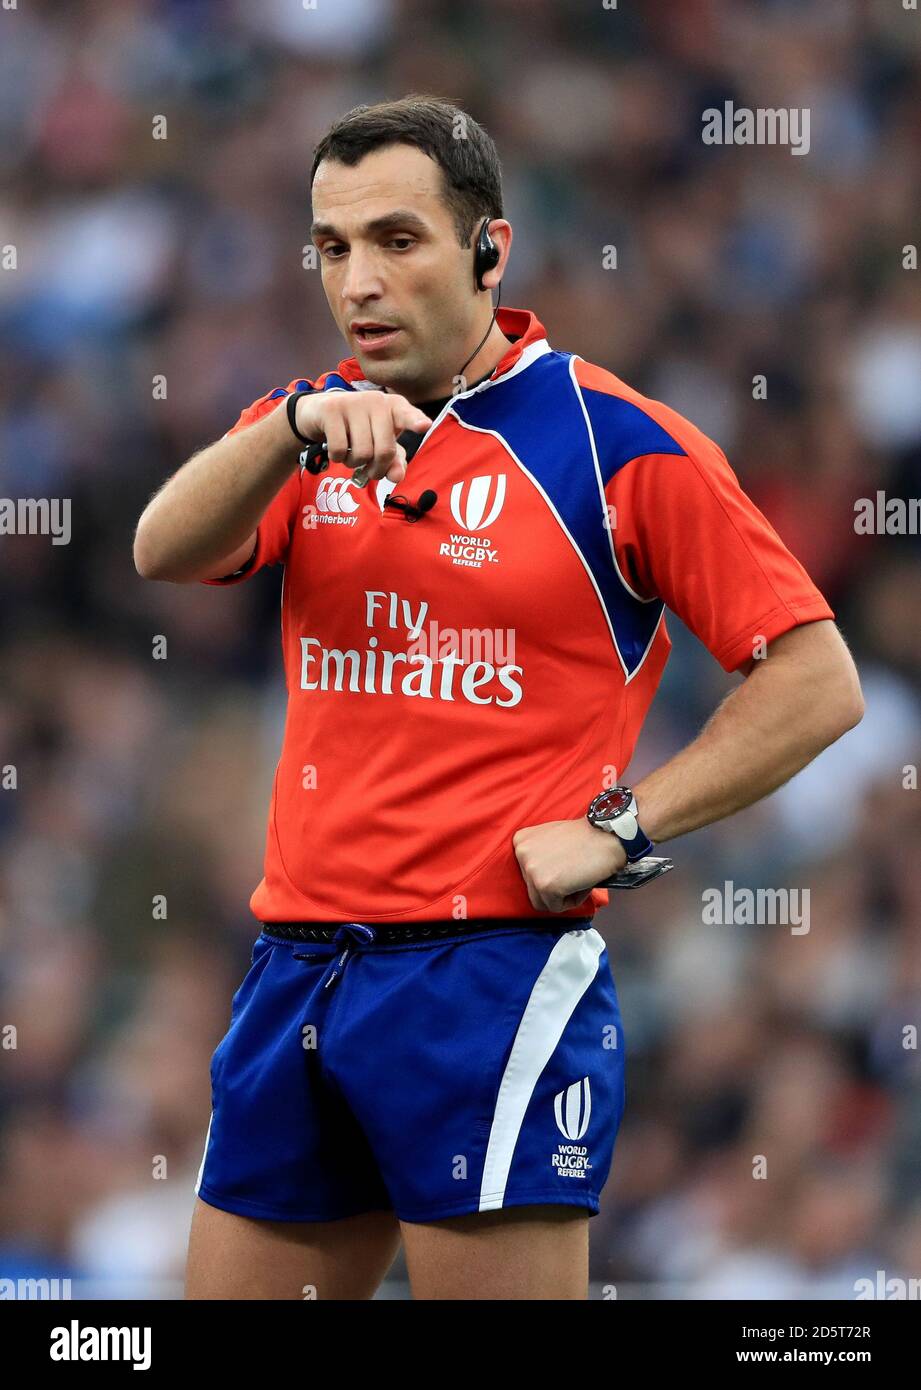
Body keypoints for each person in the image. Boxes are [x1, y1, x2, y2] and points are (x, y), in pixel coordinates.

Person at [133, 94, 864, 1301]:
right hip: (297, 965)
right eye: (331, 247)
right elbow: (163, 547)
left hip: (487, 978)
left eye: (397, 239)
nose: (358, 279)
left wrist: (624, 826)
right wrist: (291, 431)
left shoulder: (614, 442)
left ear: (490, 248)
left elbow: (817, 677)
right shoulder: (305, 426)